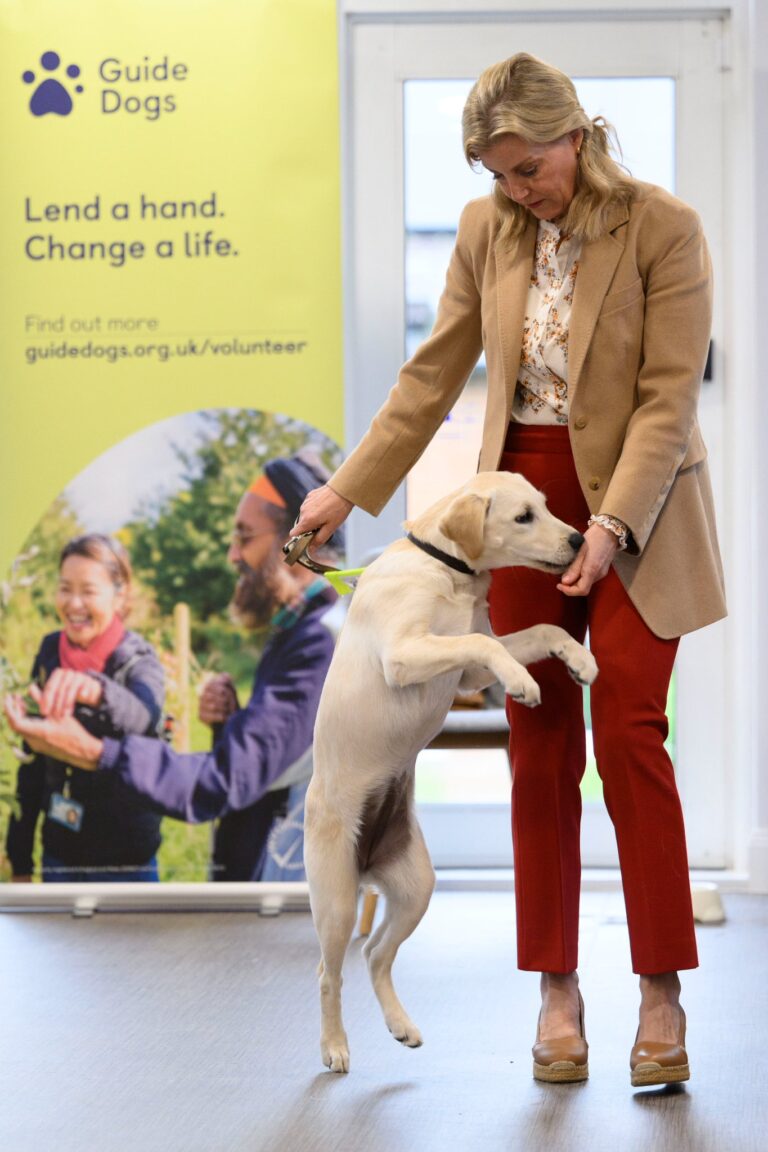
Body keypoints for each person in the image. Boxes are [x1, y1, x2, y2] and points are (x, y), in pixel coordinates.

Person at [291, 54, 726, 1086]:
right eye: (499, 176)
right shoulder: (489, 229)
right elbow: (433, 374)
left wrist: (612, 523)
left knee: (627, 733)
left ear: (575, 136)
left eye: (529, 169)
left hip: (642, 502)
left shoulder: (664, 228)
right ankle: (557, 992)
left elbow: (668, 403)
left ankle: (660, 991)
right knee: (536, 749)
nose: (516, 192)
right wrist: (346, 491)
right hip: (520, 501)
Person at [5, 453, 343, 883]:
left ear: (301, 541)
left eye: (244, 537)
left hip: (289, 881)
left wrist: (93, 749)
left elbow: (223, 778)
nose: (231, 554)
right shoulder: (293, 631)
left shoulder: (318, 640)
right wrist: (232, 723)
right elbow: (270, 760)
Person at [5, 534, 165, 882]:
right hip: (60, 855)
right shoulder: (50, 652)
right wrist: (19, 861)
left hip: (125, 863)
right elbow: (32, 762)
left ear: (119, 594)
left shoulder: (137, 660)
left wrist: (97, 689)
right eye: (65, 588)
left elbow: (144, 716)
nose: (73, 603)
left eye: (88, 591)